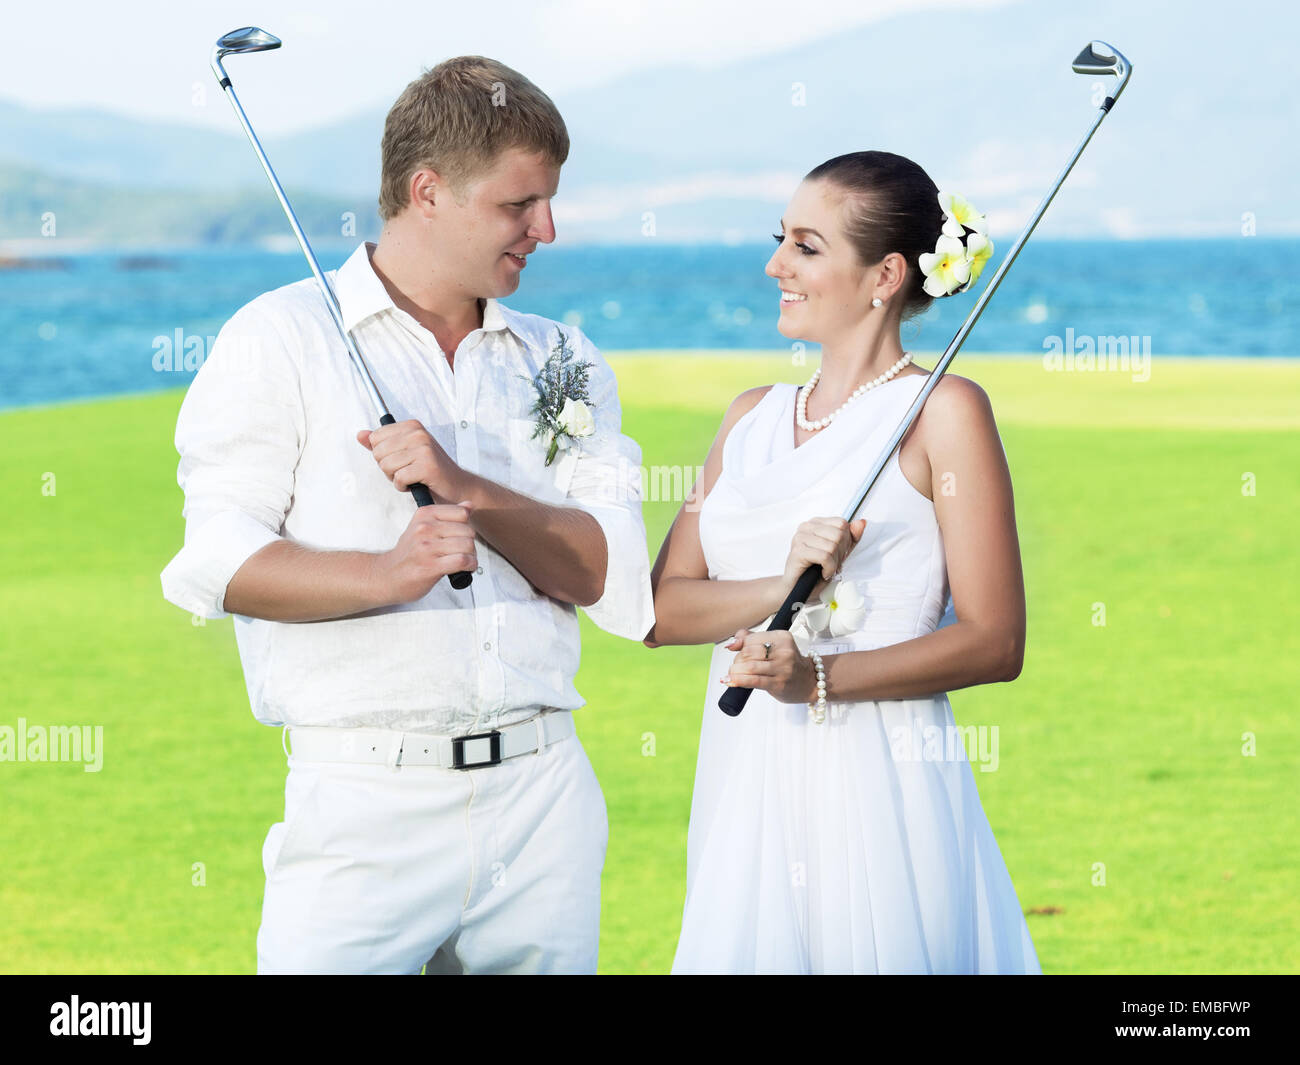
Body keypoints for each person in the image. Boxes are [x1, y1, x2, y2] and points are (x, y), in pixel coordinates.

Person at [160, 56, 655, 974]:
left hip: (544, 801)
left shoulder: (566, 360)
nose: (546, 229)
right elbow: (216, 561)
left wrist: (466, 486)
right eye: (520, 205)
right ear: (428, 191)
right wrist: (388, 572)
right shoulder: (279, 338)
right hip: (362, 806)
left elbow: (608, 575)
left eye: (549, 201)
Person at [645, 150, 1042, 974]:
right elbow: (662, 611)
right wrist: (775, 586)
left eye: (806, 245)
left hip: (879, 783)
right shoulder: (746, 418)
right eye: (780, 239)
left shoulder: (943, 412)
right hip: (746, 775)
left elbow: (996, 640)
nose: (775, 264)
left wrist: (817, 679)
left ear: (885, 274)